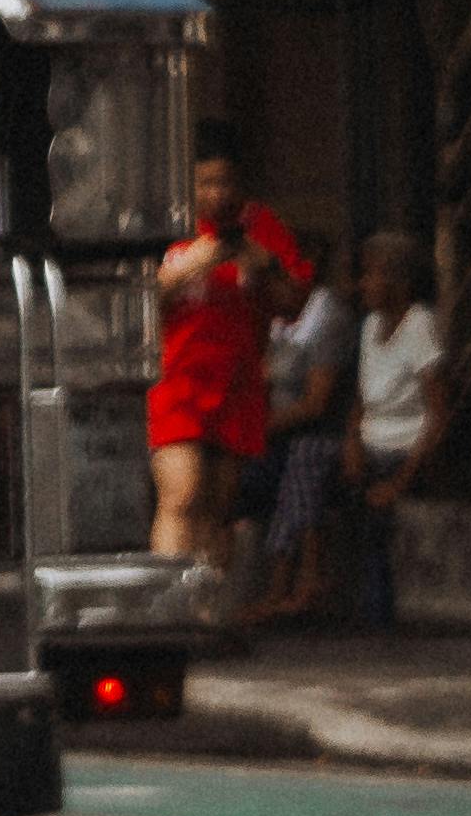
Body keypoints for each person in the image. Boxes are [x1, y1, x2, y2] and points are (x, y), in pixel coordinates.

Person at [150, 142, 313, 566]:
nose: (217, 194)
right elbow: (132, 301)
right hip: (176, 380)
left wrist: (263, 263)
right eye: (206, 183)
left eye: (226, 182)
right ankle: (172, 606)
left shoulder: (261, 226)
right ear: (187, 183)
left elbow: (292, 302)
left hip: (237, 384)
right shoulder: (165, 222)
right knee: (182, 493)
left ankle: (207, 614)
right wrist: (192, 265)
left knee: (219, 508)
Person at [248, 254, 355, 629]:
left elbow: (315, 404)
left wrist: (258, 430)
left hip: (321, 435)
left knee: (299, 468)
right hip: (283, 439)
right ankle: (280, 587)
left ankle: (296, 584)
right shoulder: (281, 321)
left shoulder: (327, 320)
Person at [346, 232, 442, 607]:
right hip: (370, 442)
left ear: (399, 283)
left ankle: (376, 606)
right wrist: (351, 440)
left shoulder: (420, 326)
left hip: (402, 448)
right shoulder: (371, 325)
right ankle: (300, 586)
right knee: (308, 461)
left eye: (372, 275)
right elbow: (360, 395)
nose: (363, 284)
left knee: (374, 507)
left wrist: (402, 482)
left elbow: (438, 413)